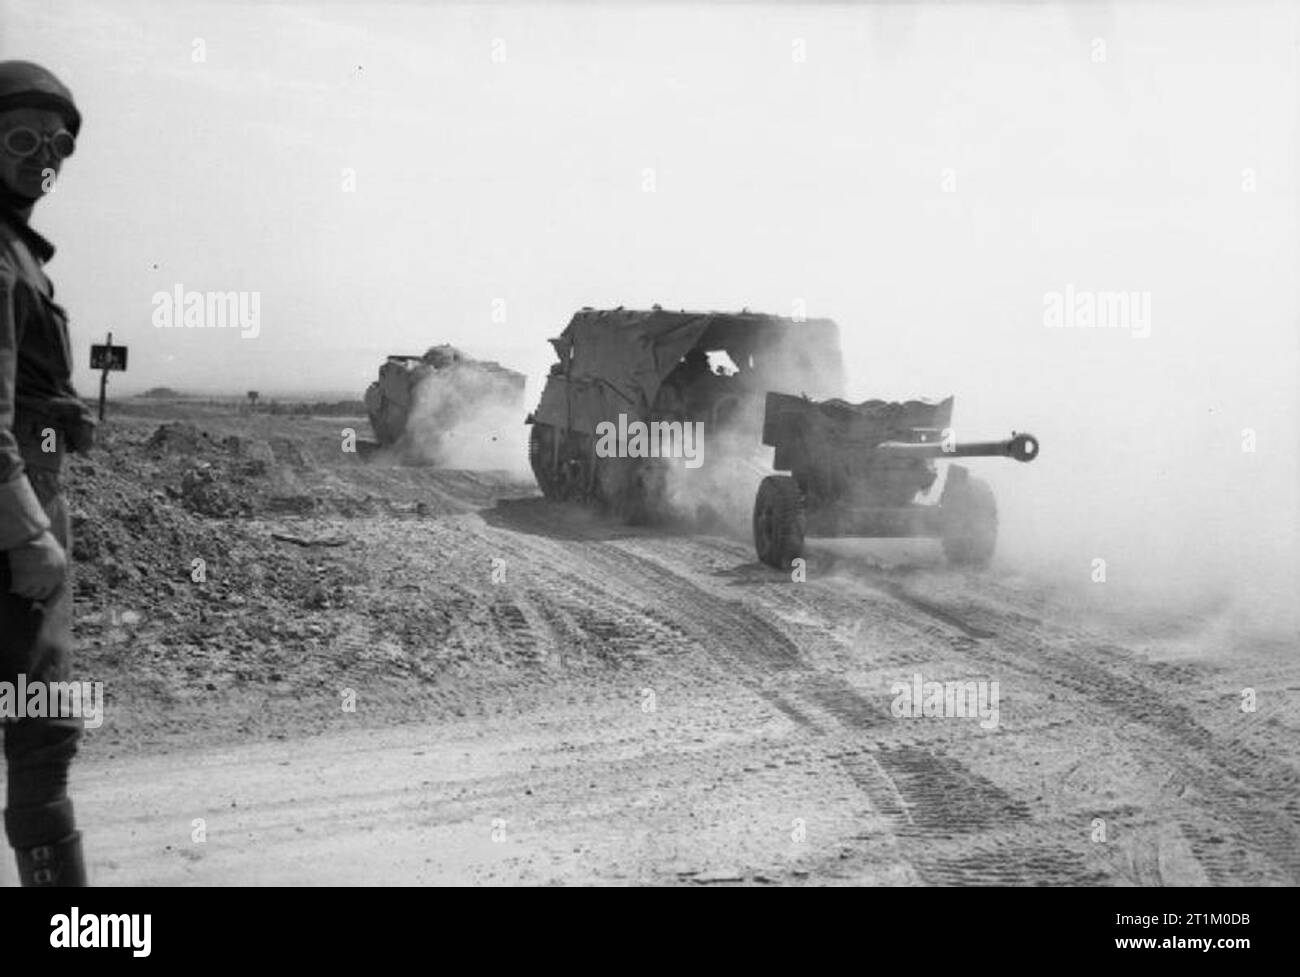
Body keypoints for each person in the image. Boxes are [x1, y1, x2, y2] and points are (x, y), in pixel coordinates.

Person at [0, 60, 94, 886]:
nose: (42, 158)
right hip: (14, 522)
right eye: (21, 139)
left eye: (56, 144)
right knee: (41, 728)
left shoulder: (16, 251)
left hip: (28, 496)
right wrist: (31, 537)